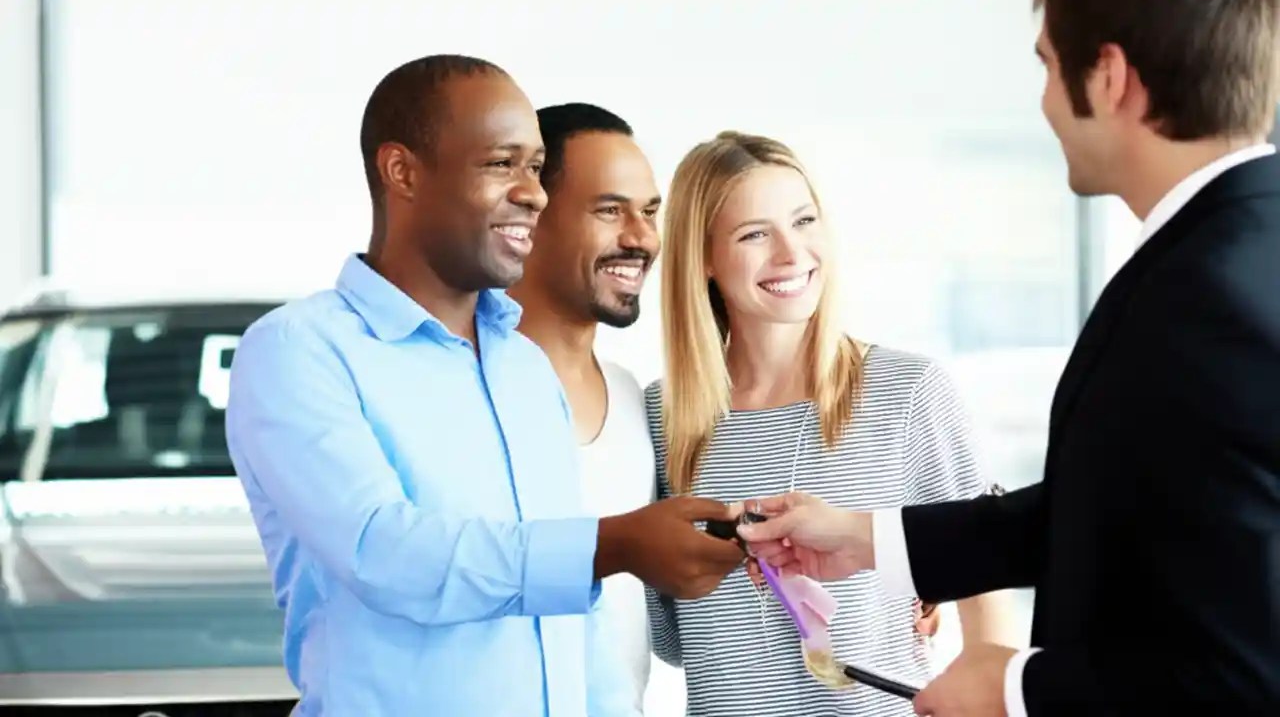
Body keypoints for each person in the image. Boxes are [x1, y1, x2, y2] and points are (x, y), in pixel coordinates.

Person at [739, 0, 1280, 715]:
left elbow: (1247, 675)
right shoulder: (1233, 250)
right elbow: (1123, 503)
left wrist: (1014, 688)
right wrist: (867, 539)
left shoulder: (1210, 296)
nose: (1046, 103)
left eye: (1048, 68)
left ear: (1110, 77)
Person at [224, 55, 745, 716]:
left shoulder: (523, 367)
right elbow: (385, 554)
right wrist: (613, 545)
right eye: (503, 163)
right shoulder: (300, 350)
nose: (533, 192)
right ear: (402, 172)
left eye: (534, 167)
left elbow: (574, 630)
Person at [645, 130, 1018, 717]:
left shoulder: (908, 391)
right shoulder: (659, 419)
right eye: (754, 234)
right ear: (704, 260)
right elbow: (672, 640)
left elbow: (988, 579)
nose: (792, 254)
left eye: (804, 221)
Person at [507, 102, 664, 710]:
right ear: (529, 216)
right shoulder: (464, 390)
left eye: (650, 212)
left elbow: (662, 616)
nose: (641, 237)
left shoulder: (634, 398)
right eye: (610, 210)